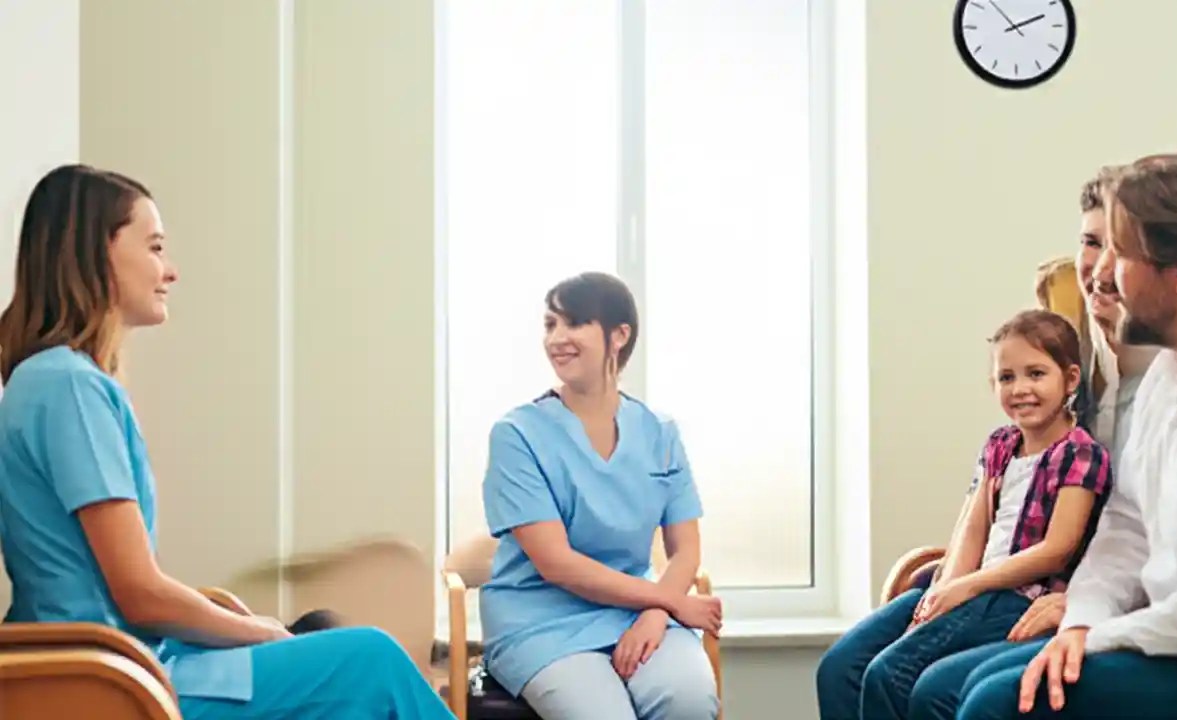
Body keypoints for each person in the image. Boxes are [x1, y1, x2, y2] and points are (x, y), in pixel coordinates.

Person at [0, 164, 455, 719]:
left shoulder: (45, 381)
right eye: (155, 247)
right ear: (96, 252)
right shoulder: (68, 387)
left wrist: (241, 626)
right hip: (116, 684)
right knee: (372, 659)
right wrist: (256, 631)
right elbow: (138, 592)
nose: (170, 271)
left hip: (113, 666)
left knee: (330, 644)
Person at [955, 146, 1177, 719]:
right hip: (1165, 634)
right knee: (960, 686)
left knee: (994, 703)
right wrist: (1082, 620)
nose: (1101, 275)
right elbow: (1125, 528)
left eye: (1121, 253)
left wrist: (1097, 638)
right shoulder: (1166, 376)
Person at [904, 170, 1160, 720]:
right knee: (854, 663)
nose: (1100, 267)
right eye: (1091, 243)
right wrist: (948, 584)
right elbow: (984, 504)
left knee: (944, 690)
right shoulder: (1090, 376)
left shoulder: (1169, 392)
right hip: (1059, 585)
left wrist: (1085, 605)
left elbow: (1134, 537)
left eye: (1121, 248)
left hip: (1079, 595)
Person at [815, 309, 1114, 720]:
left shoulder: (1079, 453)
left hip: (1014, 598)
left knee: (889, 674)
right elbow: (972, 529)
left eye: (1036, 374)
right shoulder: (1000, 445)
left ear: (1071, 380)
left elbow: (1057, 550)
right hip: (968, 588)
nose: (1020, 388)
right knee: (840, 667)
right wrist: (945, 592)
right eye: (1007, 377)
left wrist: (968, 588)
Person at [479, 271, 721, 720]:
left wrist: (654, 616)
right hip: (540, 621)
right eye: (550, 324)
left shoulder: (659, 433)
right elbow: (557, 564)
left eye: (574, 323)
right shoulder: (518, 435)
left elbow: (686, 549)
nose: (557, 338)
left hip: (635, 612)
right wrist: (670, 602)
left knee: (689, 701)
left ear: (619, 335)